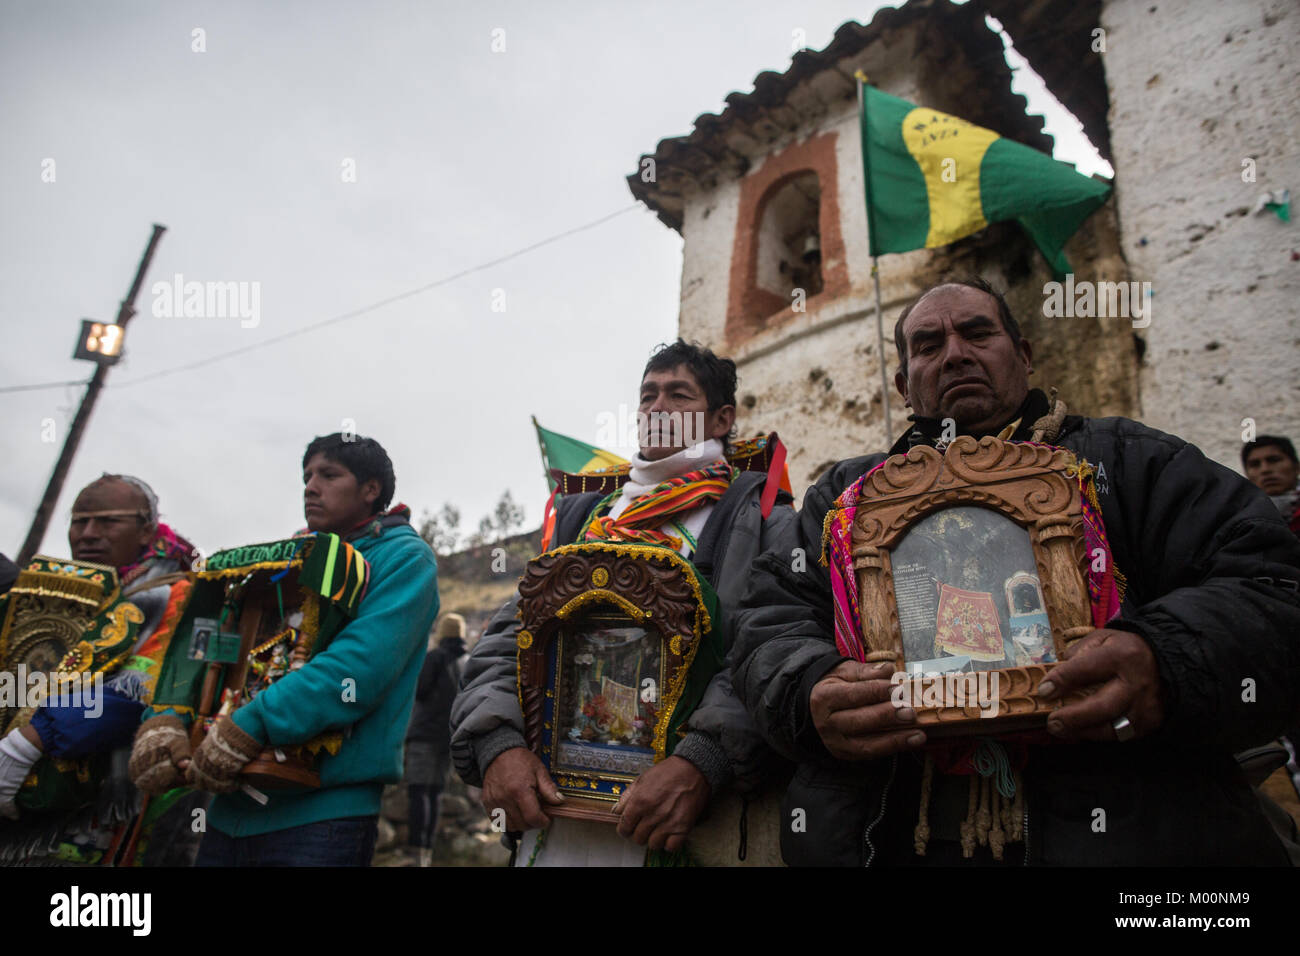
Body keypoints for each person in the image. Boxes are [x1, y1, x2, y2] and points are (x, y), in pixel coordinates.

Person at [734, 278, 1300, 866]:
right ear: (905, 385)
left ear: (1024, 356)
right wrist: (809, 690)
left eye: (977, 332)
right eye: (928, 346)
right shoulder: (844, 500)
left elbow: (1272, 586)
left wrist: (1166, 660)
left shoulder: (1132, 462)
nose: (955, 353)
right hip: (890, 832)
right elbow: (768, 620)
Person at [451, 339, 794, 866]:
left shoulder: (759, 520)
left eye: (678, 395)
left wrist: (703, 761)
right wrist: (496, 744)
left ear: (722, 418)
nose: (657, 408)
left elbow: (767, 647)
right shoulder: (582, 520)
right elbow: (508, 642)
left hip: (690, 819)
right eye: (647, 396)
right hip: (556, 822)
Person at [129, 434, 439, 867]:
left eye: (329, 475)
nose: (311, 487)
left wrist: (251, 726)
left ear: (371, 490)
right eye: (307, 476)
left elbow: (356, 670)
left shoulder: (405, 558)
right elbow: (216, 646)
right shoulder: (285, 562)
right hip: (229, 807)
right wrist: (165, 716)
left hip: (324, 818)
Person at [0, 474, 197, 864]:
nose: (88, 534)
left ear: (146, 531)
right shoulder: (52, 593)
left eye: (108, 522)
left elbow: (147, 687)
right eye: (79, 521)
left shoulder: (178, 595)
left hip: (105, 809)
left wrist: (24, 744)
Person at [403, 612, 468, 866]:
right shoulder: (467, 661)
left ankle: (416, 852)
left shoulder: (435, 658)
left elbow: (419, 690)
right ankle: (427, 852)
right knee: (436, 793)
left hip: (424, 734)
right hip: (450, 737)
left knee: (419, 790)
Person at [1243, 435, 1300, 536]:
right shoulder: (1240, 523)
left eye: (1274, 460)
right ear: (1247, 475)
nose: (1265, 470)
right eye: (1255, 464)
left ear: (1296, 467)